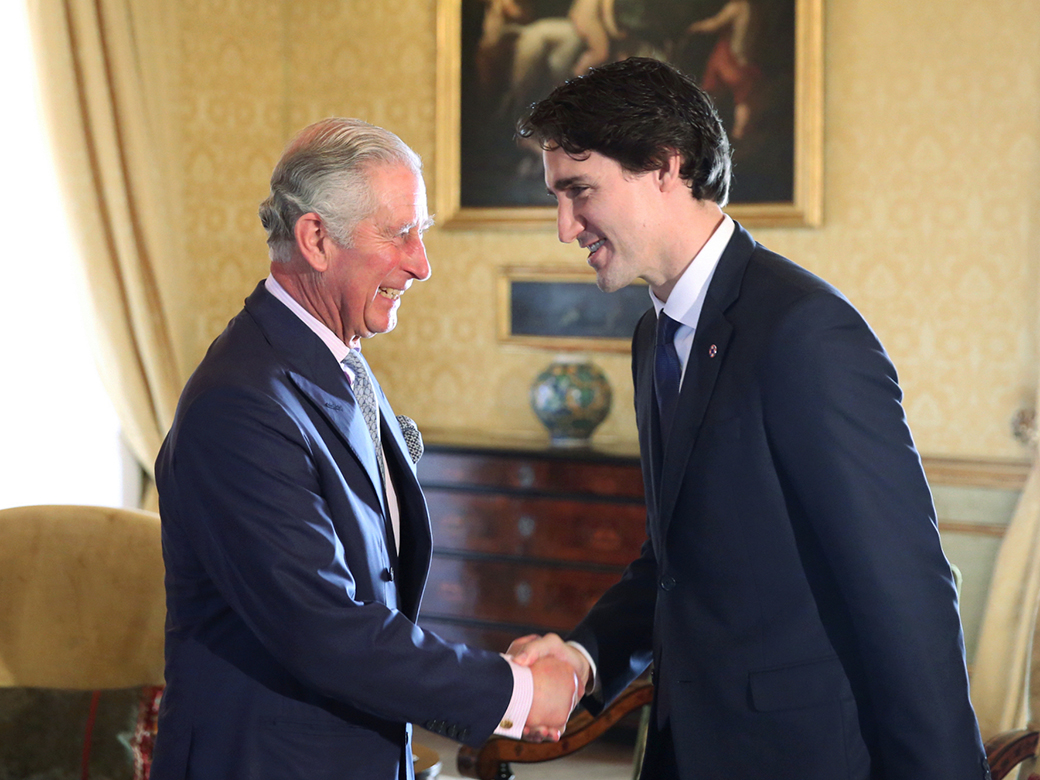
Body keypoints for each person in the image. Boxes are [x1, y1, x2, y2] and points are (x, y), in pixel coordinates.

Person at [509, 57, 991, 779]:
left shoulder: (804, 331)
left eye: (580, 192)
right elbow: (676, 563)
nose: (565, 226)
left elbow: (906, 591)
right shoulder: (652, 336)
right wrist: (584, 654)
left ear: (665, 167)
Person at [150, 117, 579, 780]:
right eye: (400, 233)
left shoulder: (334, 358)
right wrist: (514, 691)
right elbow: (324, 630)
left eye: (423, 232)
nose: (421, 263)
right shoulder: (239, 405)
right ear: (316, 238)